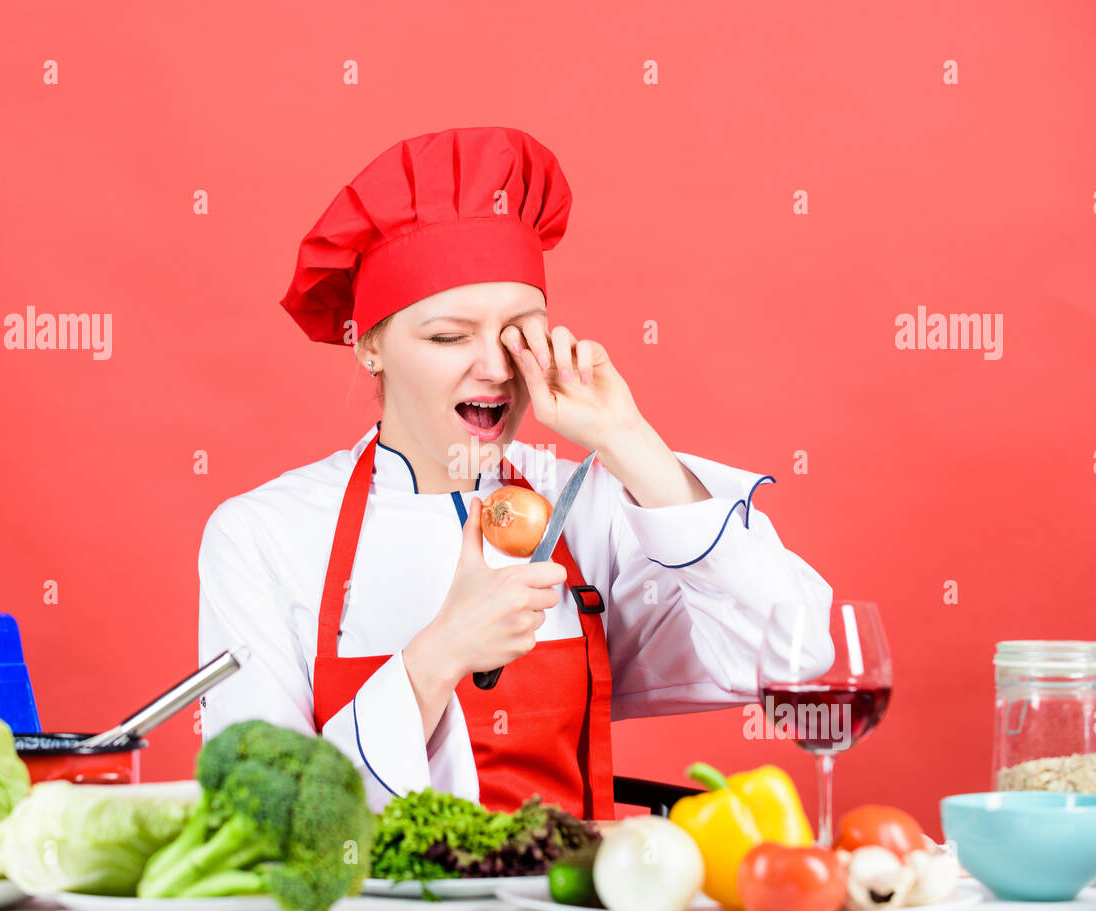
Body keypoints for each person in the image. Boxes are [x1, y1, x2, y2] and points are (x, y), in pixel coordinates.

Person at [197, 126, 833, 818]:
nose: (497, 368)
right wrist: (435, 657)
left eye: (518, 332)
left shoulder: (587, 510)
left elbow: (795, 650)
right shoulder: (263, 534)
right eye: (448, 336)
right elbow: (264, 817)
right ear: (370, 346)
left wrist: (630, 442)